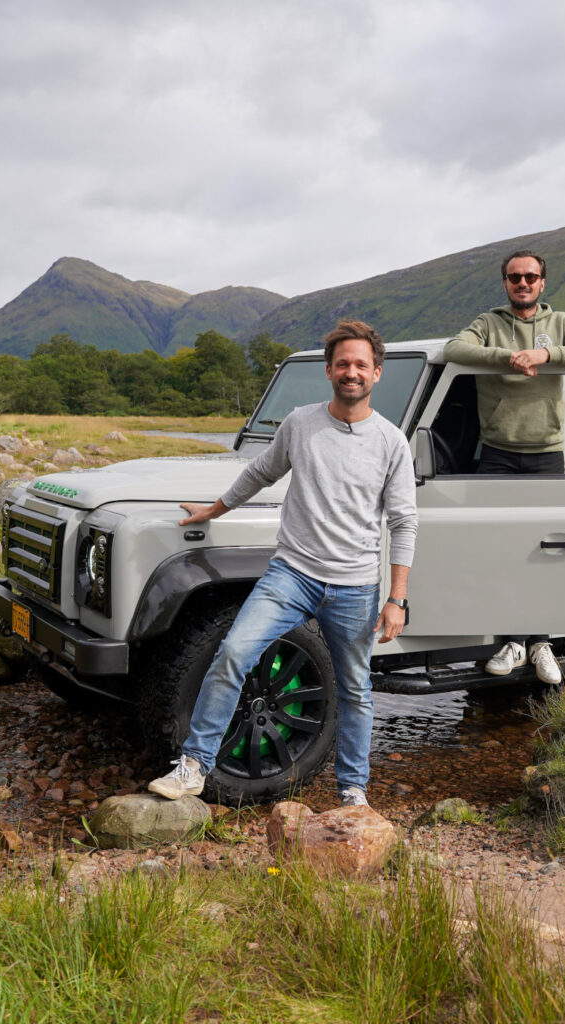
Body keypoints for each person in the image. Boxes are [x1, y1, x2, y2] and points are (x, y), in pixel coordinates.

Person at [148, 320, 417, 808]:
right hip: (291, 575)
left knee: (355, 689)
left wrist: (397, 599)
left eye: (360, 365)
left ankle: (353, 790)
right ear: (329, 370)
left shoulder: (391, 442)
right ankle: (194, 767)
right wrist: (214, 510)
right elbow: (259, 471)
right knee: (232, 653)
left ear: (376, 373)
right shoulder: (300, 423)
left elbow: (404, 522)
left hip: (355, 586)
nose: (350, 372)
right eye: (342, 364)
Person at [442, 249, 565, 684]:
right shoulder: (489, 323)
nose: (523, 283)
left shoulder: (560, 324)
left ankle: (540, 644)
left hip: (549, 454)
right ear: (505, 283)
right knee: (500, 549)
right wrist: (506, 357)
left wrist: (544, 357)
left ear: (542, 282)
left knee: (546, 550)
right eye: (515, 277)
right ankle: (515, 642)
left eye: (530, 276)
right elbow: (454, 348)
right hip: (496, 450)